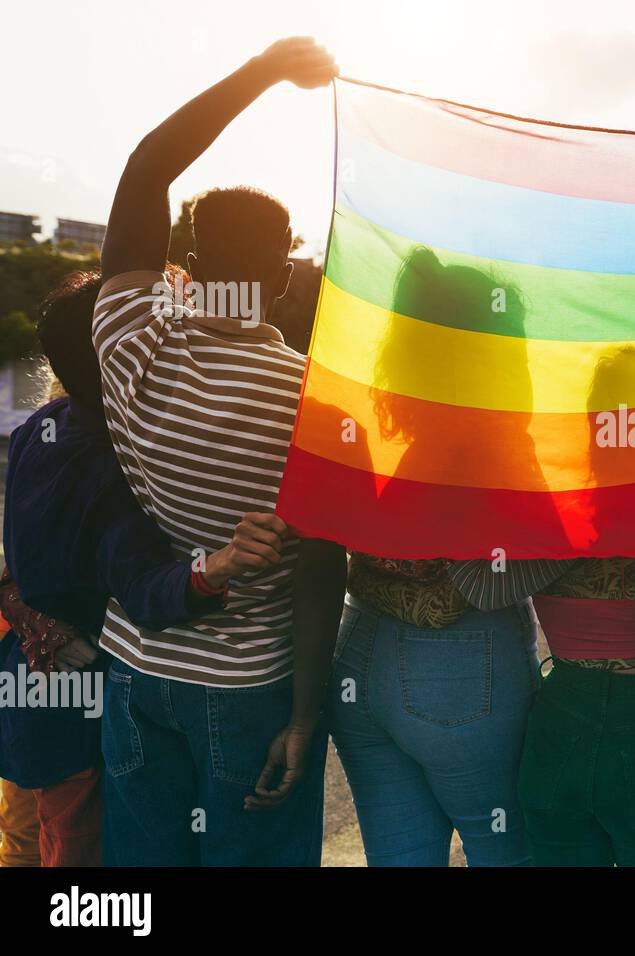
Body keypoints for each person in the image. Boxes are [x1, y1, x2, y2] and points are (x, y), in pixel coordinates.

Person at [93, 37, 344, 865]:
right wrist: (307, 718)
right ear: (283, 279)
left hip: (134, 664)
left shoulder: (130, 342)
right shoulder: (317, 401)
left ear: (188, 268)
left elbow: (146, 167)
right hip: (248, 688)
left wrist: (266, 69)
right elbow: (317, 570)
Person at [0, 269, 289, 866]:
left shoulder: (39, 427)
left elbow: (19, 551)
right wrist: (217, 567)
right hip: (85, 698)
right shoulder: (119, 460)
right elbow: (142, 587)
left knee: (25, 839)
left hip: (30, 683)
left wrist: (24, 608)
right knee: (77, 855)